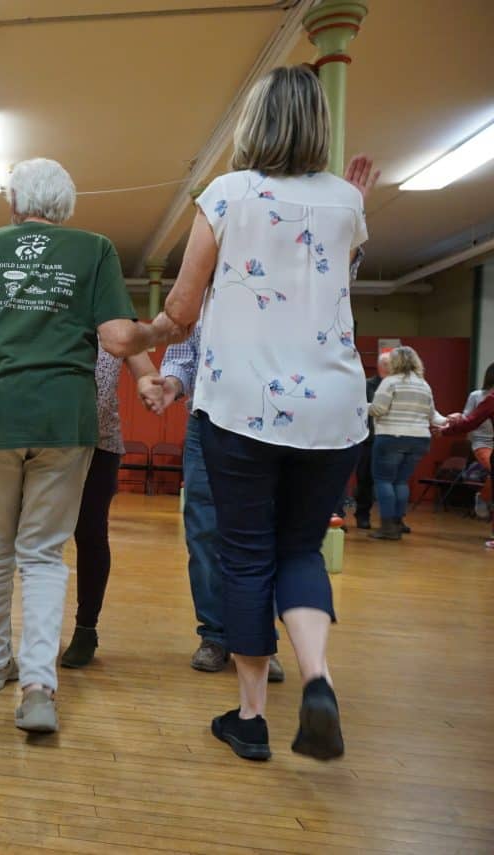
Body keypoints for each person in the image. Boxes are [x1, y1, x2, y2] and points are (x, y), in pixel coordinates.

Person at [159, 66, 376, 762]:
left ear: (254, 122)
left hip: (242, 407)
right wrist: (350, 208)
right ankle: (316, 678)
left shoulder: (226, 193)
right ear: (318, 122)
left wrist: (141, 338)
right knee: (300, 548)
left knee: (246, 556)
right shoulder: (348, 202)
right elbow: (332, 291)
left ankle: (251, 719)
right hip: (334, 411)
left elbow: (183, 311)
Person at [0, 156, 183, 734]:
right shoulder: (94, 248)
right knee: (43, 555)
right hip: (64, 419)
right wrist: (161, 332)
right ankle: (38, 687)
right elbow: (119, 337)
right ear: (66, 205)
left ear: (13, 202)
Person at [155, 324, 284, 683]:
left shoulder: (279, 286)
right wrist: (172, 384)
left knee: (261, 536)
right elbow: (181, 358)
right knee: (203, 533)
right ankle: (214, 636)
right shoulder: (201, 291)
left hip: (270, 423)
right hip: (206, 422)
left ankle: (258, 642)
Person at [57, 349, 160, 668]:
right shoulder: (52, 307)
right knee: (43, 540)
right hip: (50, 442)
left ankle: (86, 629)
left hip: (101, 445)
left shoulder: (114, 323)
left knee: (90, 535)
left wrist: (148, 383)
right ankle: (42, 631)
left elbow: (144, 366)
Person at [367, 345, 444, 541]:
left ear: (394, 362)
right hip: (419, 439)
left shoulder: (390, 382)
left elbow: (378, 410)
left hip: (391, 437)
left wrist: (360, 406)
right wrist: (451, 421)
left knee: (384, 481)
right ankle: (398, 522)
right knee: (401, 481)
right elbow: (432, 415)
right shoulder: (423, 384)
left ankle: (387, 528)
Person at [436, 371, 494, 547]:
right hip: (483, 442)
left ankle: (484, 497)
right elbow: (470, 421)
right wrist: (446, 429)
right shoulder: (488, 399)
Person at [352, 352, 391, 528]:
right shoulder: (367, 385)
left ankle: (392, 519)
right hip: (369, 438)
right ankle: (362, 515)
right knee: (365, 479)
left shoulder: (396, 386)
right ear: (381, 366)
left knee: (391, 481)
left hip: (390, 438)